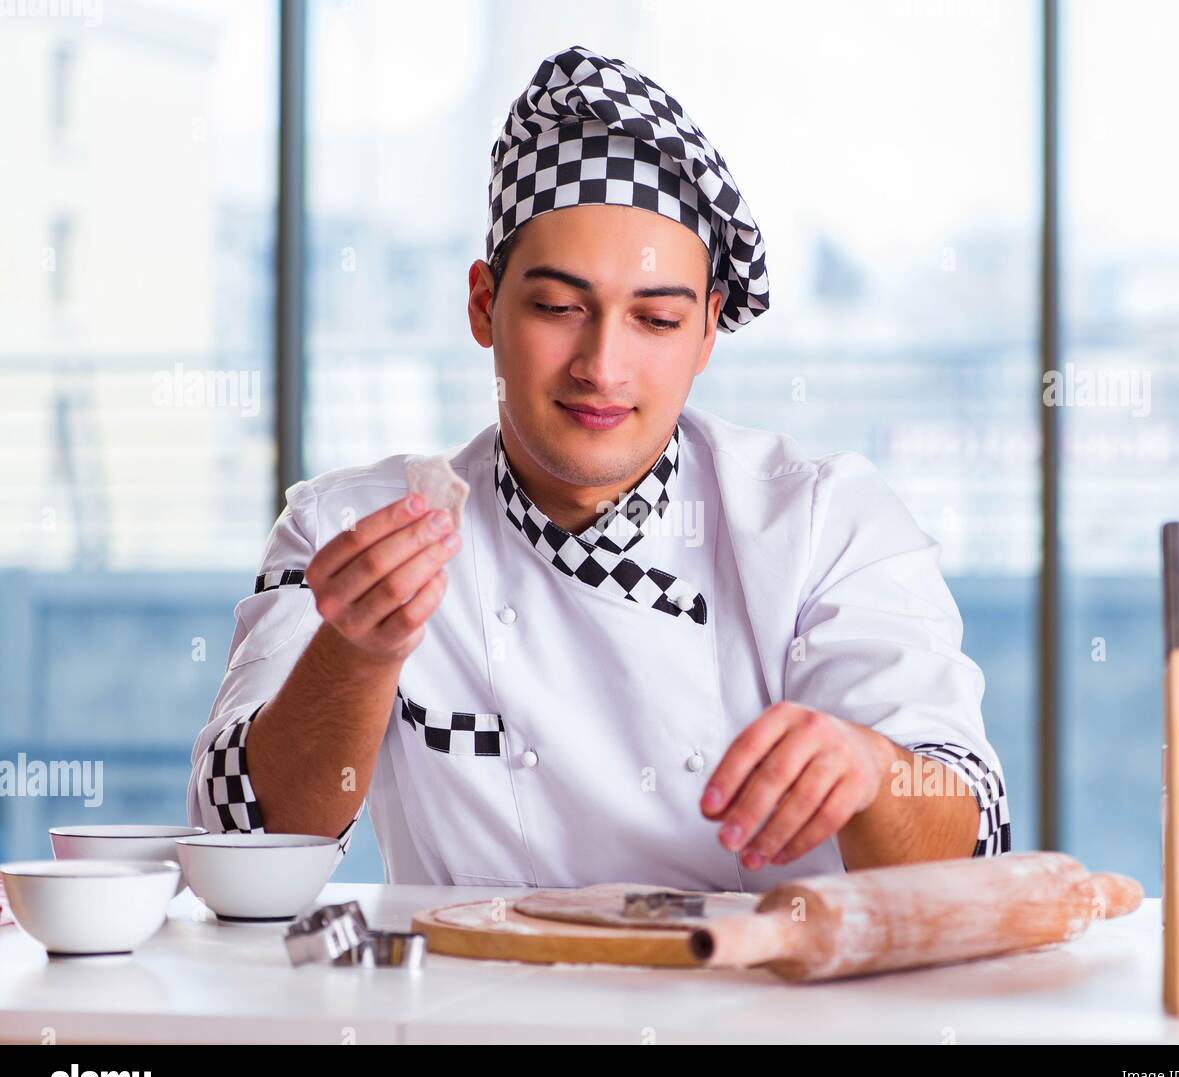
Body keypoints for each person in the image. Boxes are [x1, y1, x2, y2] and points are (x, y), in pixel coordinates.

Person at [187, 45, 1010, 889]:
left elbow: (971, 840)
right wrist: (356, 655)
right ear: (483, 305)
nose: (602, 366)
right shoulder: (351, 528)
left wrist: (870, 768)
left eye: (654, 320)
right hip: (474, 1014)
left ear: (707, 333)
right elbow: (238, 845)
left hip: (754, 1012)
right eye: (558, 308)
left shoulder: (824, 521)